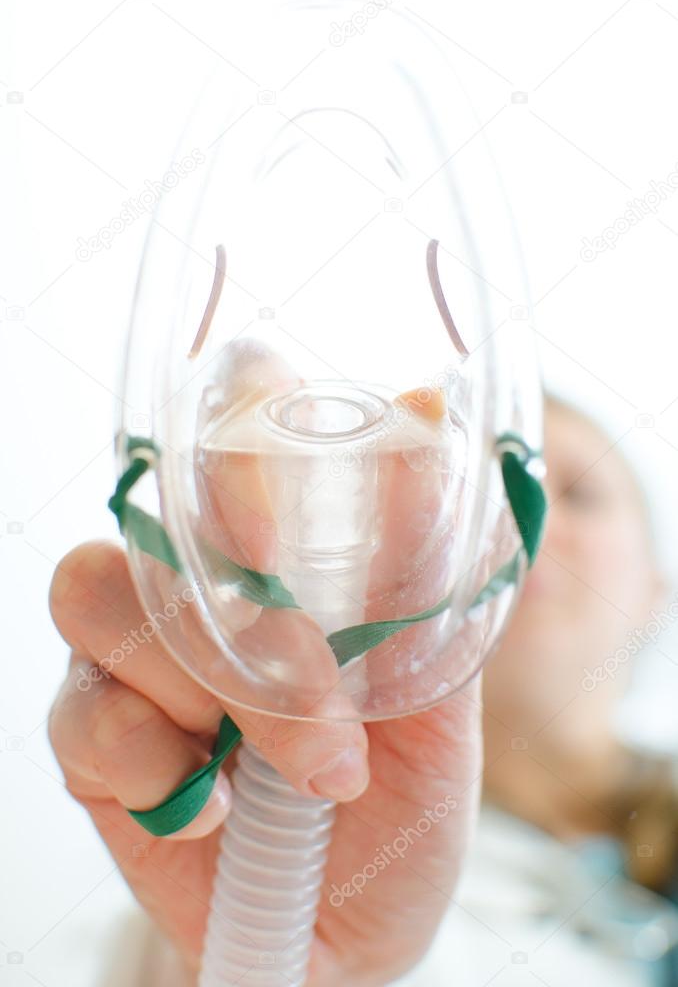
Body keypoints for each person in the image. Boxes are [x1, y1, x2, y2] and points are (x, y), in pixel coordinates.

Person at [48, 394, 678, 985]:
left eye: (580, 493)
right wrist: (268, 940)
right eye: (472, 490)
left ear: (656, 588)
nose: (512, 520)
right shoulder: (330, 856)